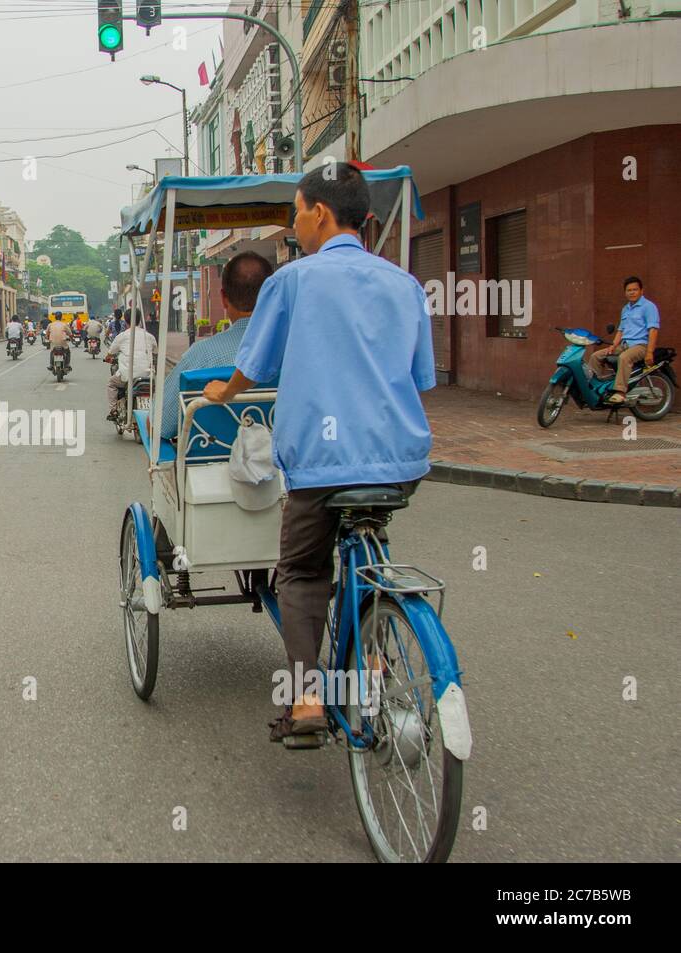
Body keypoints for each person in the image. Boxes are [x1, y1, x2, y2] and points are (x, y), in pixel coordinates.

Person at [201, 162, 435, 743]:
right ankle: (374, 648)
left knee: (303, 573)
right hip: (399, 462)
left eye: (297, 212)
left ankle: (307, 699)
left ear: (320, 213)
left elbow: (250, 370)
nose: (295, 224)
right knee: (367, 549)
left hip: (321, 467)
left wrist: (220, 392)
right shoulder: (403, 285)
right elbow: (421, 377)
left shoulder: (293, 281)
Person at [160, 252, 275, 440]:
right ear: (272, 295)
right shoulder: (297, 351)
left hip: (211, 462)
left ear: (223, 297)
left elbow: (159, 427)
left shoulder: (200, 355)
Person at [590, 276, 661, 404]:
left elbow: (653, 330)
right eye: (629, 290)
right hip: (624, 344)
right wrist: (613, 346)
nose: (632, 292)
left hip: (641, 345)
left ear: (641, 291)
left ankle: (620, 392)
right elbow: (621, 331)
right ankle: (596, 387)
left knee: (624, 357)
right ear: (625, 293)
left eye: (635, 289)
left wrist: (650, 352)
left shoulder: (648, 307)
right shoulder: (625, 308)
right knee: (596, 356)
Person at [105, 308, 157, 420]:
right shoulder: (149, 336)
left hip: (127, 376)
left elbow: (110, 353)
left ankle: (113, 410)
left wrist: (107, 358)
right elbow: (155, 351)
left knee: (111, 383)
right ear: (139, 320)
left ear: (126, 321)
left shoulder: (122, 336)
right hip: (147, 376)